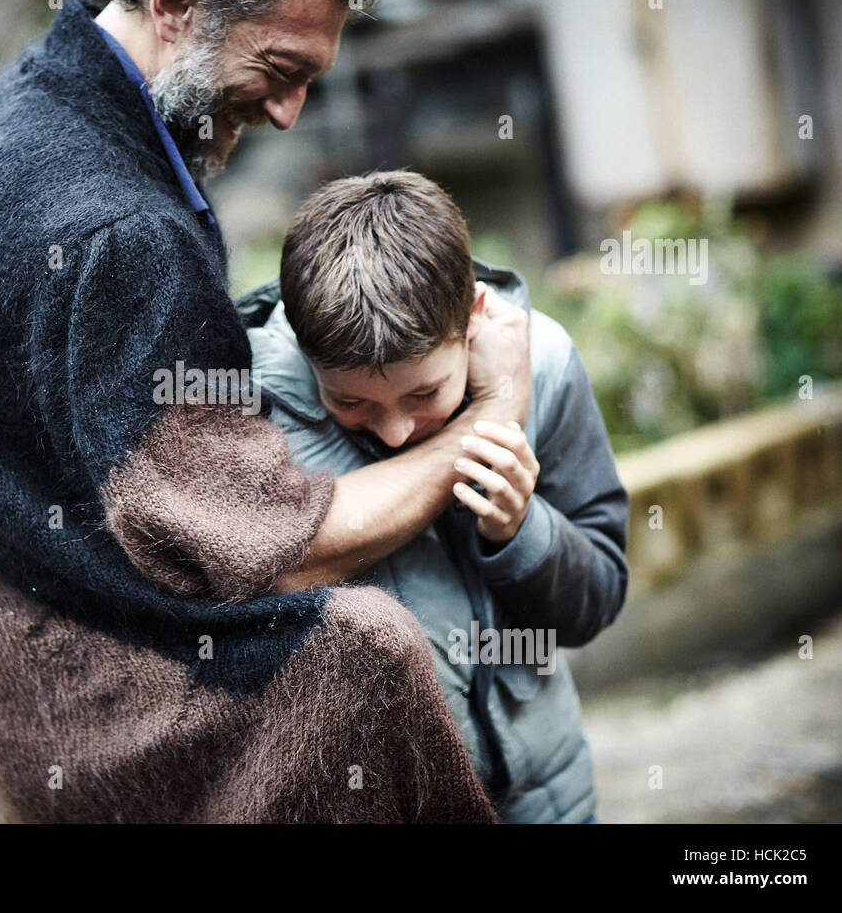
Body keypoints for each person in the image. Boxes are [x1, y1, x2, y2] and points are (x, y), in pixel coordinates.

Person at [0, 0, 531, 821]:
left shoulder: (6, 111)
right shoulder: (126, 236)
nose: (286, 112)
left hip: (7, 685)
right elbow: (267, 554)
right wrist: (488, 423)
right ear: (177, 4)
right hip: (88, 712)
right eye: (278, 71)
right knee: (365, 654)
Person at [242, 170, 630, 821]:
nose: (395, 430)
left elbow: (596, 600)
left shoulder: (548, 361)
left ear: (474, 316)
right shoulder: (253, 408)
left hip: (547, 797)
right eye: (350, 401)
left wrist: (521, 531)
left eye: (423, 394)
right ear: (309, 355)